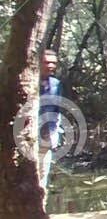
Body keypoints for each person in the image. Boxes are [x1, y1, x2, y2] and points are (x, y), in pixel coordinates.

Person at [38, 49, 61, 194]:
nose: (51, 66)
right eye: (47, 62)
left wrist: (54, 135)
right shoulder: (28, 83)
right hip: (26, 137)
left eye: (53, 63)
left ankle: (40, 204)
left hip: (46, 138)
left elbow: (56, 111)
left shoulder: (56, 84)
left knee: (42, 175)